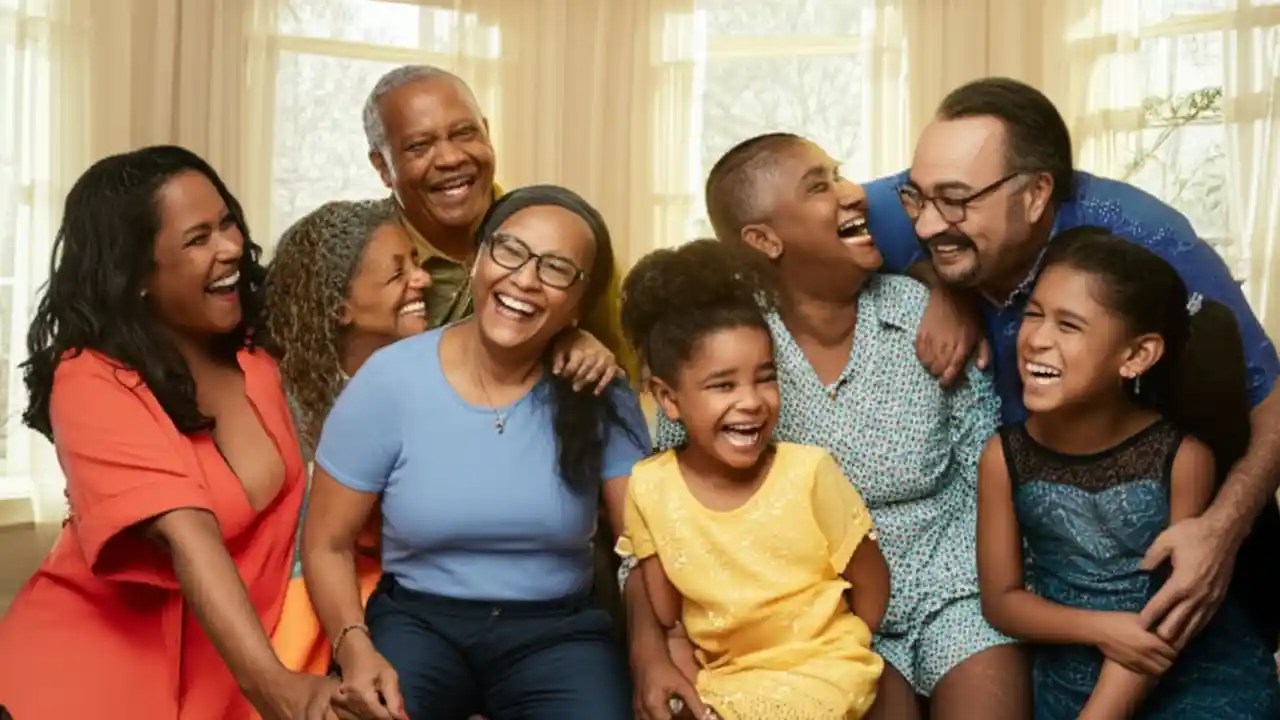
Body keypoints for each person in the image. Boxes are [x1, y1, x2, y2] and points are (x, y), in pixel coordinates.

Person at [864, 77, 1280, 653]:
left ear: (1036, 194)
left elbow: (1271, 402)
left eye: (955, 201)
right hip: (1023, 561)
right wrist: (937, 280)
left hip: (1162, 535)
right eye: (917, 196)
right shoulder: (911, 206)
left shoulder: (1145, 240)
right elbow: (776, 219)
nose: (927, 224)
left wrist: (1220, 530)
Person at [654, 134, 1031, 720]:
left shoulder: (921, 315)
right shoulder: (724, 347)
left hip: (954, 583)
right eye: (819, 186)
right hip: (816, 615)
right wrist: (656, 646)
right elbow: (665, 508)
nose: (854, 193)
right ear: (764, 240)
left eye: (840, 174)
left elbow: (990, 462)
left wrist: (1003, 593)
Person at [302, 185, 704, 720]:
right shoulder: (390, 380)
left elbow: (638, 548)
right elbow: (326, 543)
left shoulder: (598, 391)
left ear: (578, 303)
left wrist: (650, 657)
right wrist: (354, 647)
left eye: (556, 268)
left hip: (558, 633)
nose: (525, 279)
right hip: (419, 624)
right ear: (477, 260)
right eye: (510, 250)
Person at [0, 146, 335, 720]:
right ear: (137, 276)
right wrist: (276, 687)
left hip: (225, 688)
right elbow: (188, 535)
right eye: (198, 238)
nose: (231, 247)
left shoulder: (261, 356)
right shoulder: (91, 379)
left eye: (227, 222)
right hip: (81, 684)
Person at [976, 227, 1280, 719]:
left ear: (1137, 356)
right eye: (1033, 314)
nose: (1037, 339)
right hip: (1072, 674)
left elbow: (1167, 618)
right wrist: (1101, 629)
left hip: (1187, 674)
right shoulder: (1002, 456)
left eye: (1069, 325)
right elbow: (1002, 601)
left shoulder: (1183, 458)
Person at [619, 239, 890, 719]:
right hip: (729, 680)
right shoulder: (649, 488)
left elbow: (871, 584)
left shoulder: (809, 472)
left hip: (823, 668)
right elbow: (667, 615)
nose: (752, 401)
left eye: (765, 377)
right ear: (669, 399)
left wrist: (847, 660)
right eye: (723, 384)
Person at [363, 64, 628, 387]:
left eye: (464, 133)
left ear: (486, 132)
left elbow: (624, 380)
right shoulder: (359, 257)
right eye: (419, 146)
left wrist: (577, 341)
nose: (450, 158)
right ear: (382, 166)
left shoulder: (569, 245)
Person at [263, 198, 431, 674]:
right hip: (307, 595)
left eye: (416, 262)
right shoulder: (282, 399)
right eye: (398, 273)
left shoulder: (428, 375)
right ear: (339, 308)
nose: (423, 279)